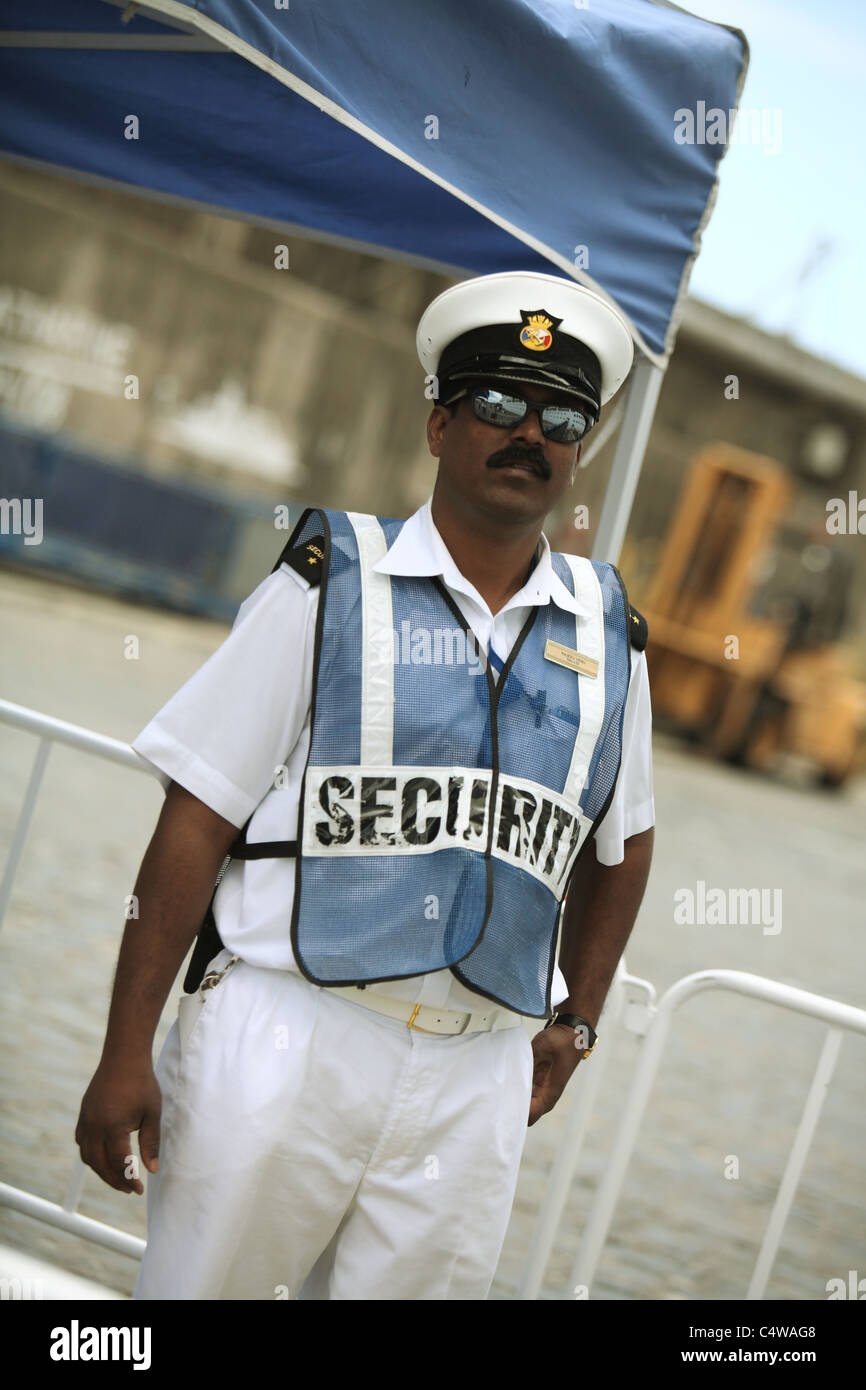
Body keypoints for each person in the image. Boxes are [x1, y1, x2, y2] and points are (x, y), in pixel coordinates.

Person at [75, 270, 655, 1301]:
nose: (529, 433)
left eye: (560, 416)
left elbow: (624, 843)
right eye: (494, 406)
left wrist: (580, 1019)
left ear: (578, 450)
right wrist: (127, 1050)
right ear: (437, 426)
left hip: (479, 1073)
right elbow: (196, 811)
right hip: (290, 1033)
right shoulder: (328, 577)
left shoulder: (609, 630)